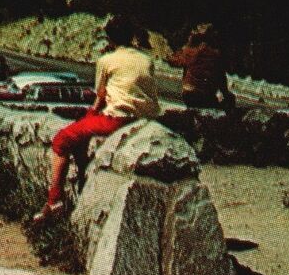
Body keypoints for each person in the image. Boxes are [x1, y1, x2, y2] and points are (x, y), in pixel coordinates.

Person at [34, 15, 161, 224]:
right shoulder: (147, 60)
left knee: (61, 140)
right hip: (145, 118)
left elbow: (100, 96)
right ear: (132, 37)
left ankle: (54, 200)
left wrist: (89, 115)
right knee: (82, 130)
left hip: (118, 119)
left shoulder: (106, 61)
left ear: (110, 39)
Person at [167, 23, 236, 111]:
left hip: (188, 95)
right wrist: (226, 95)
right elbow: (221, 78)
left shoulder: (191, 51)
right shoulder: (217, 54)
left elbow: (173, 61)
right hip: (206, 95)